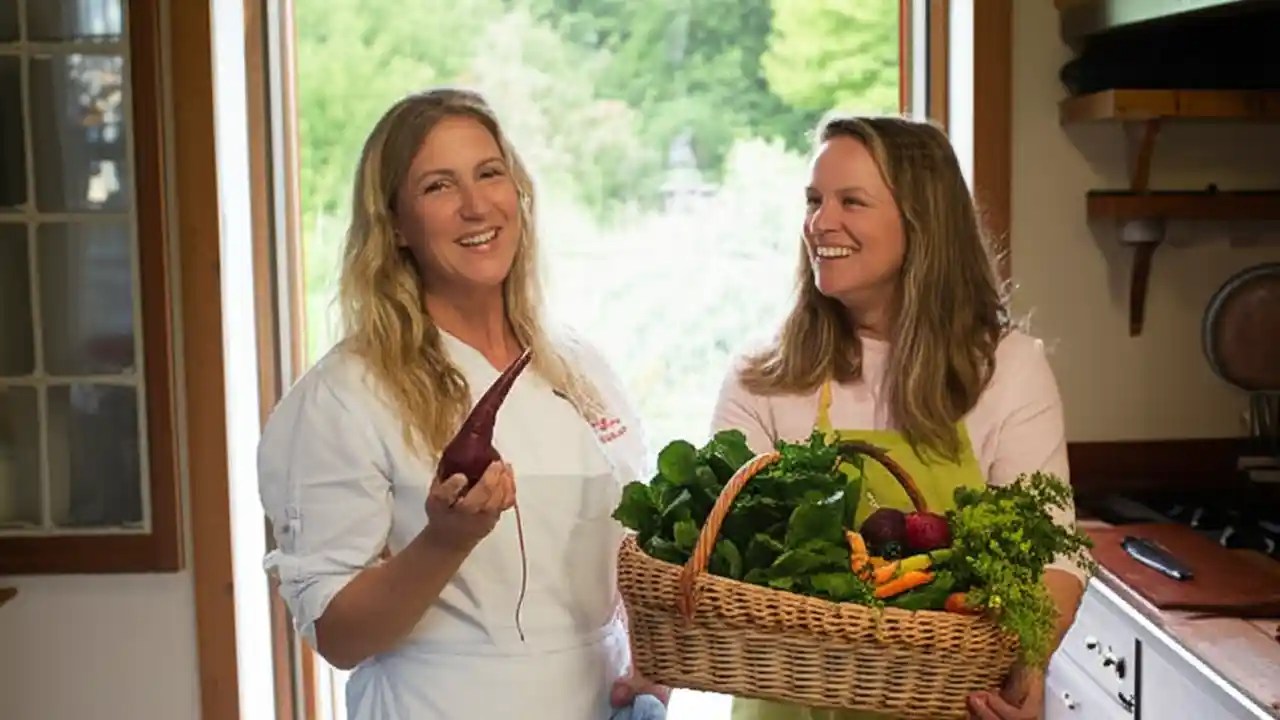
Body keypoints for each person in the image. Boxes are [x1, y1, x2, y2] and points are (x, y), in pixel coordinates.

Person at [257, 87, 666, 720]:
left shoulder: (581, 368)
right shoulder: (348, 393)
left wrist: (653, 667)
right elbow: (338, 635)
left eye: (489, 174)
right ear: (395, 225)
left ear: (518, 194)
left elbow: (642, 549)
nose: (477, 207)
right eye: (439, 187)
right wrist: (445, 541)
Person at [710, 113, 1088, 720]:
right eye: (814, 200)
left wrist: (1029, 668)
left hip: (949, 704)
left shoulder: (1007, 368)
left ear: (922, 222)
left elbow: (1053, 551)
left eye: (851, 202)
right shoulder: (763, 375)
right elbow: (727, 558)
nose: (819, 223)